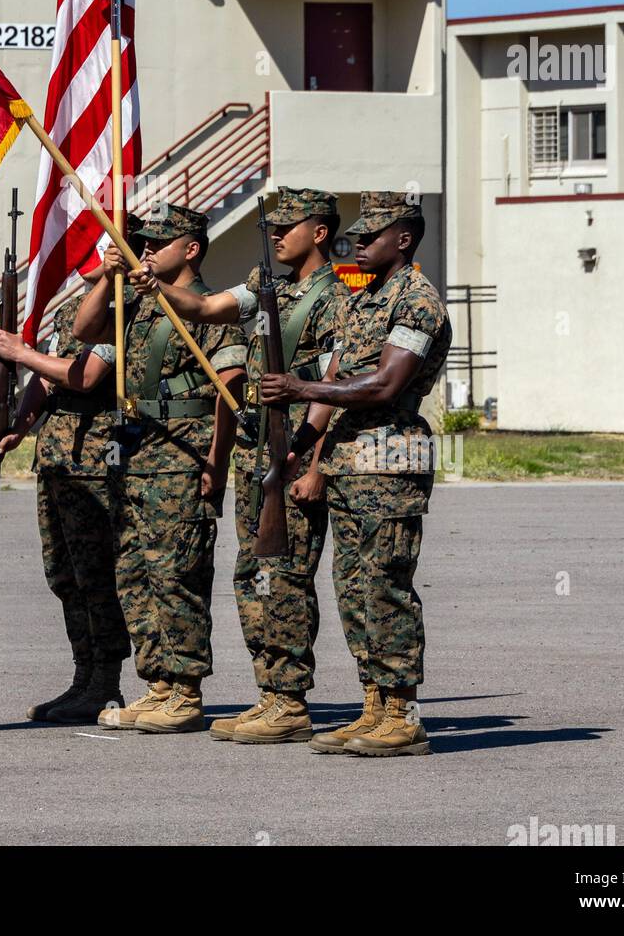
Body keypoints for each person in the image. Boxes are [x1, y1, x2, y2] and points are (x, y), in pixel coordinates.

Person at [127, 187, 347, 743]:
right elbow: (205, 308)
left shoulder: (332, 298)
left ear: (318, 233)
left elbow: (333, 384)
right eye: (273, 227)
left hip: (292, 448)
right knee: (252, 575)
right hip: (258, 449)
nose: (276, 235)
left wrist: (313, 457)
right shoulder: (264, 286)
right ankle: (269, 693)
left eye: (288, 226)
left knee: (286, 575)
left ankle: (290, 700)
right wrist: (159, 288)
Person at [260, 192, 451, 758]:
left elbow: (386, 384)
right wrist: (305, 447)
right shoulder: (363, 304)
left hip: (390, 462)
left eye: (371, 235)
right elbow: (339, 378)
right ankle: (373, 706)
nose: (358, 243)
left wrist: (300, 388)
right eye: (358, 235)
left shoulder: (417, 301)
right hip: (349, 461)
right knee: (353, 589)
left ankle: (402, 714)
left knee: (385, 586)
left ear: (404, 239)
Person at [73, 205, 247, 734]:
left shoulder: (205, 310)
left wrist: (217, 465)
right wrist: (107, 276)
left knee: (177, 575)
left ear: (190, 249)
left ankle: (185, 690)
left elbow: (230, 386)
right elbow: (85, 330)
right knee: (134, 574)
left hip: (183, 456)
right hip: (137, 455)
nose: (145, 249)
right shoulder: (138, 306)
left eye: (159, 242)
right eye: (142, 242)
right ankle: (158, 685)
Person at [0, 256, 142, 725]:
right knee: (64, 576)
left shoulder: (123, 306)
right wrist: (19, 423)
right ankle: (83, 677)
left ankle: (105, 683)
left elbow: (86, 376)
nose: (84, 259)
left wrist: (22, 352)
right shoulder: (70, 308)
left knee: (96, 578)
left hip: (94, 463)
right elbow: (46, 376)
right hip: (56, 458)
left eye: (95, 247)